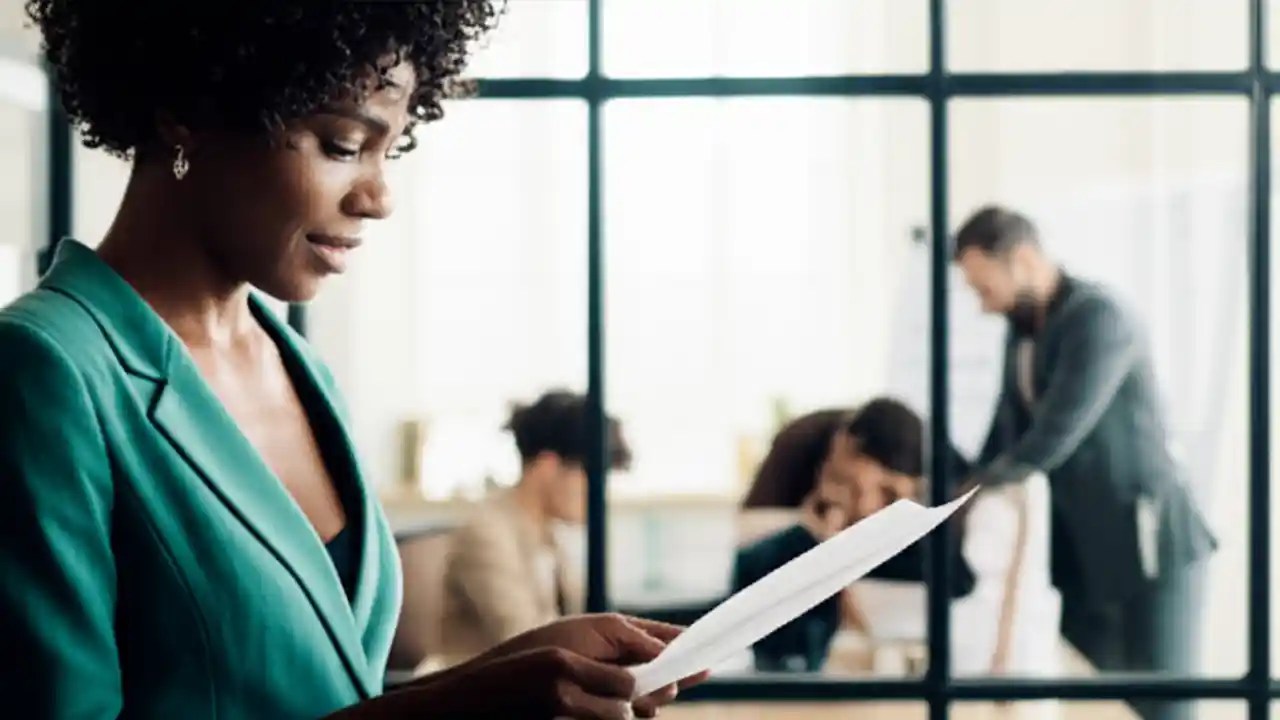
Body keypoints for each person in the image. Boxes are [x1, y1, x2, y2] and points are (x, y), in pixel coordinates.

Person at [0, 3, 703, 718]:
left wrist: (518, 671)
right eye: (341, 145)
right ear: (187, 110)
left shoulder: (300, 367)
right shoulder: (43, 371)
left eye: (387, 152)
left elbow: (327, 698)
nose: (378, 198)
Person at [953, 206, 1217, 720]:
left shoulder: (1100, 317)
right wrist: (955, 489)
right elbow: (1004, 432)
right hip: (1089, 551)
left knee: (1166, 709)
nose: (984, 308)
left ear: (1024, 260)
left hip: (1150, 547)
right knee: (1108, 699)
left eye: (985, 289)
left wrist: (975, 490)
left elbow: (1052, 435)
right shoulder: (1024, 330)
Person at [734, 398, 975, 672]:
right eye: (848, 484)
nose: (868, 507)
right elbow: (744, 536)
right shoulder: (799, 445)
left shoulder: (946, 489)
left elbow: (959, 582)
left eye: (891, 496)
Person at [441, 391, 632, 666]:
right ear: (548, 468)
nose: (598, 495)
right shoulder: (487, 533)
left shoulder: (548, 535)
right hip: (486, 701)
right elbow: (524, 639)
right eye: (591, 478)